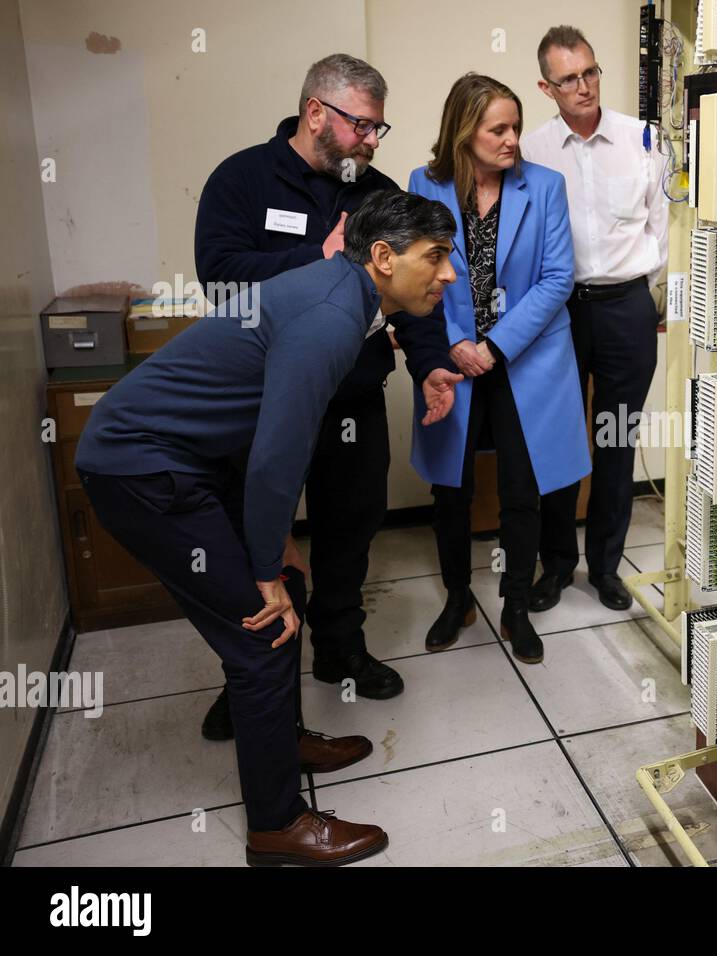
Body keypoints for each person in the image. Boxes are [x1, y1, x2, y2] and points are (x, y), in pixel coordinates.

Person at [76, 191, 462, 864]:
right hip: (142, 468)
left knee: (288, 584)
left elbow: (257, 431)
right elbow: (279, 454)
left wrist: (272, 548)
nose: (448, 274)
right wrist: (260, 569)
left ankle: (281, 740)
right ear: (382, 258)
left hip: (191, 459)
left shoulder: (342, 293)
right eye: (436, 258)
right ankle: (276, 826)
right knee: (265, 628)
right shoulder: (330, 316)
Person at [193, 54, 450, 740]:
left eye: (379, 128)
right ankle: (248, 673)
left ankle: (340, 648)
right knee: (258, 539)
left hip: (353, 399)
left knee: (349, 531)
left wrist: (429, 366)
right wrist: (319, 257)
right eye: (362, 126)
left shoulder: (381, 193)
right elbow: (221, 280)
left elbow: (416, 292)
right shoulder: (241, 179)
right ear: (316, 114)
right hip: (263, 401)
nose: (371, 141)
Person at [402, 73, 590, 665]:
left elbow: (557, 278)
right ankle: (457, 596)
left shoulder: (545, 186)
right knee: (450, 488)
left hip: (525, 357)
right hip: (452, 358)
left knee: (521, 487)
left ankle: (514, 604)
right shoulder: (423, 186)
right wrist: (456, 343)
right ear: (465, 131)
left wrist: (496, 345)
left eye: (515, 127)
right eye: (498, 129)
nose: (513, 140)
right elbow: (414, 277)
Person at [521, 26, 669, 613]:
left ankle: (605, 567)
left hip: (626, 308)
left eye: (590, 72)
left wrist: (640, 289)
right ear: (546, 87)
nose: (583, 86)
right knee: (559, 439)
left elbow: (659, 225)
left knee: (615, 440)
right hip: (558, 311)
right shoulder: (531, 149)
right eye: (568, 79)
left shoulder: (642, 138)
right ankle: (556, 564)